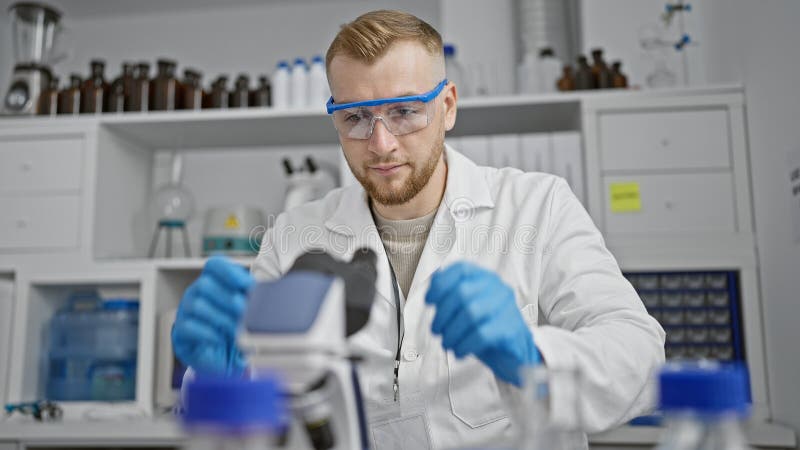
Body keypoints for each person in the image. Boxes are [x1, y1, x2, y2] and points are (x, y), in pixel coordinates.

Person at [172, 10, 666, 450]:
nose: (381, 143)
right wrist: (217, 378)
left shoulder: (538, 207)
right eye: (356, 118)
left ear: (447, 105)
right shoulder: (296, 235)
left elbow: (640, 358)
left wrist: (531, 354)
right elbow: (245, 417)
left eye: (405, 111)